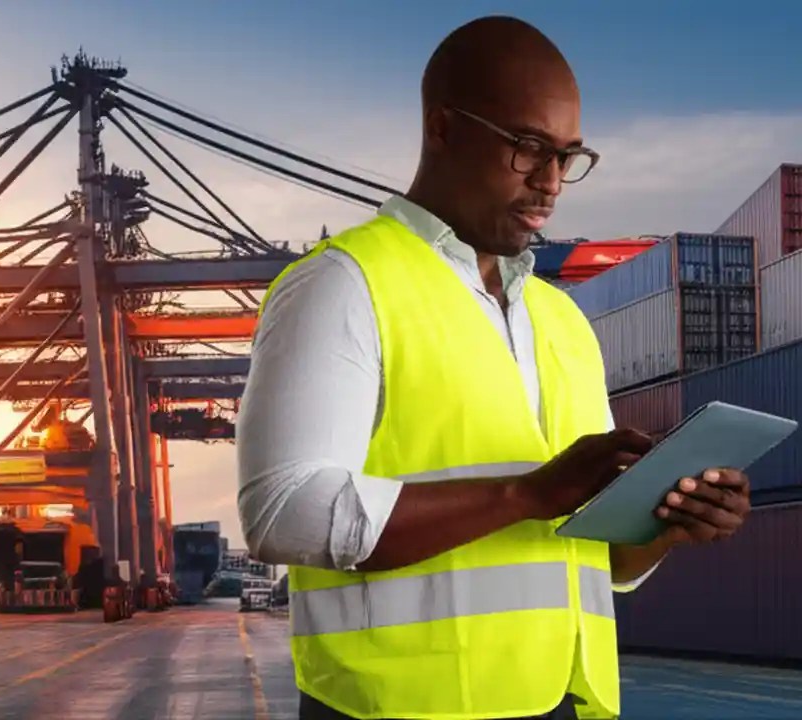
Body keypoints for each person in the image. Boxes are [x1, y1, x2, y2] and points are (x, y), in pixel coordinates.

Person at [236, 15, 752, 720]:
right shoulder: (342, 283)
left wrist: (670, 523)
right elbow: (282, 514)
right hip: (399, 709)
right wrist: (526, 495)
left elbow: (597, 560)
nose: (551, 183)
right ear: (443, 128)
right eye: (527, 147)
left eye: (568, 156)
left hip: (559, 699)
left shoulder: (561, 318)